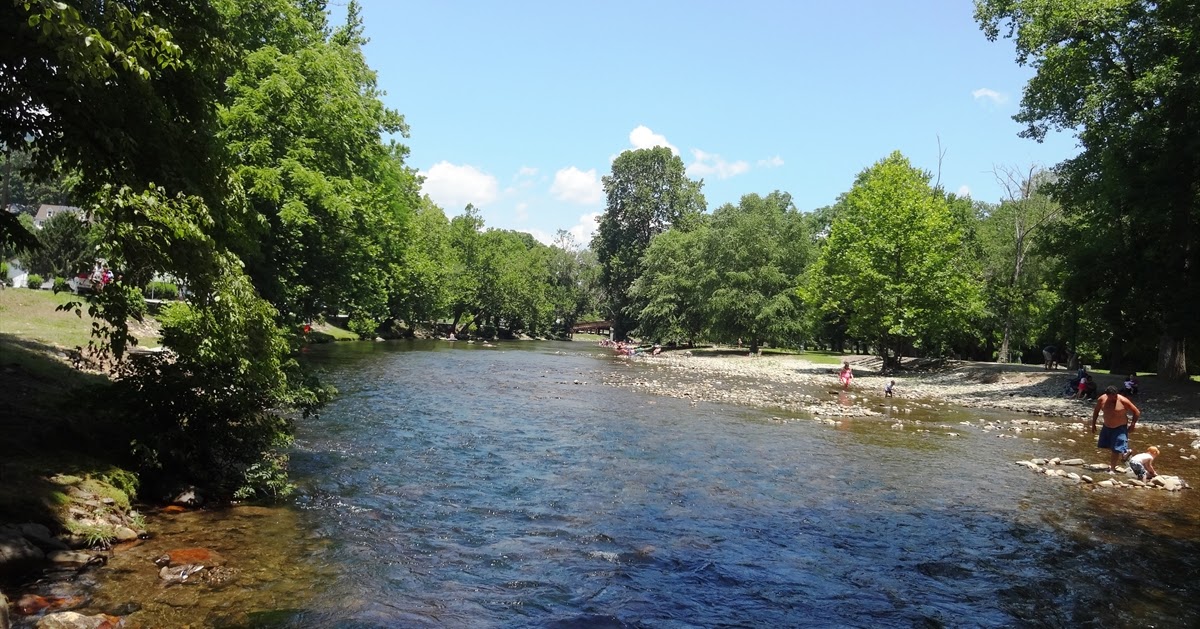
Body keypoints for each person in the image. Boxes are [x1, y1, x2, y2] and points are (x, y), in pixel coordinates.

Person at [1092, 385, 1142, 472]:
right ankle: (1125, 451)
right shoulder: (1102, 399)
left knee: (1115, 449)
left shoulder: (1123, 400)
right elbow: (1096, 411)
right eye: (1111, 397)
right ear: (1107, 395)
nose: (1113, 399)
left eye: (1115, 396)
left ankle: (1112, 468)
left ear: (1116, 394)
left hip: (1120, 427)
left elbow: (1136, 412)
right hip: (1107, 426)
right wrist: (1093, 424)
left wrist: (1133, 424)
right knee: (1106, 446)